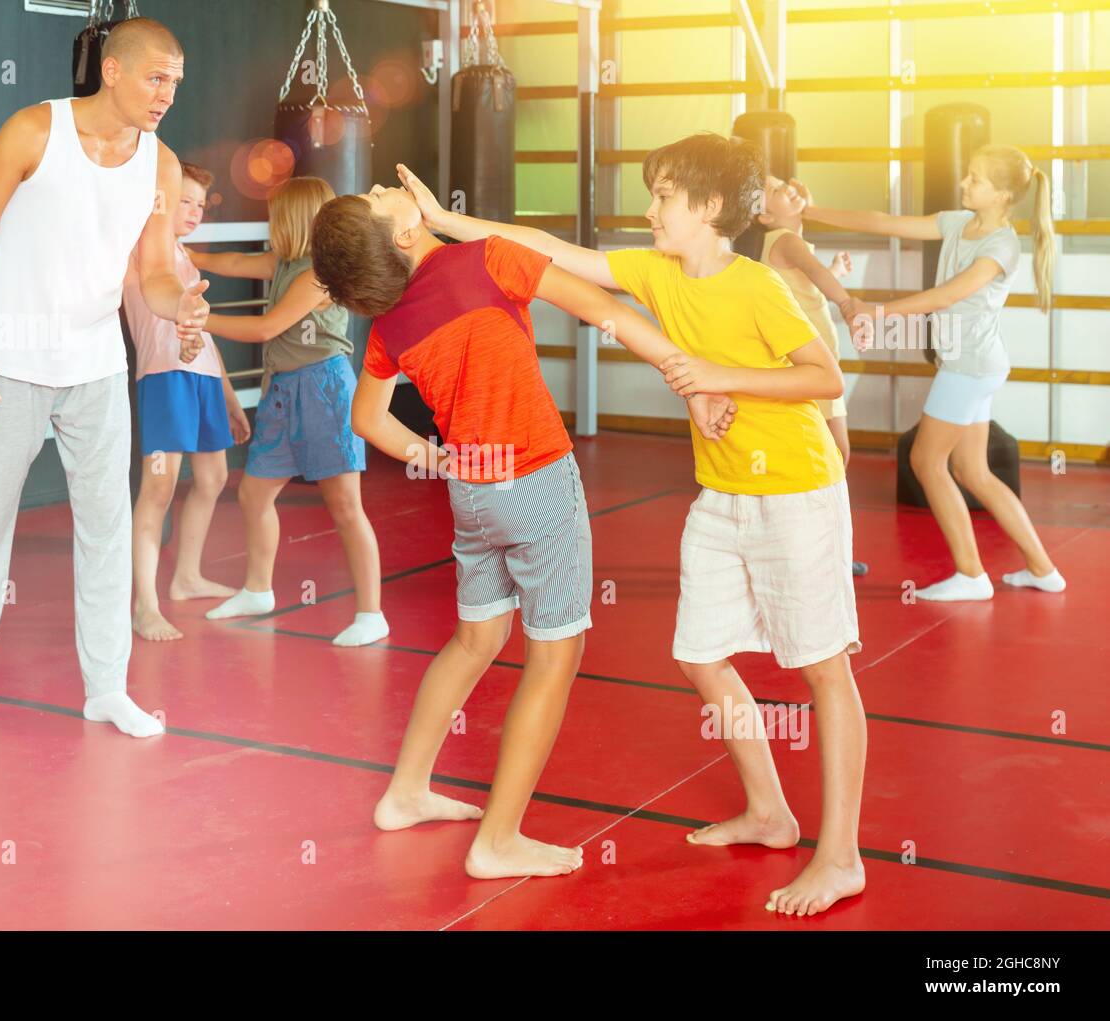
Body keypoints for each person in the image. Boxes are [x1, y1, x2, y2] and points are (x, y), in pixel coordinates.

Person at [395, 133, 866, 915]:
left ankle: (842, 855)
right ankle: (770, 811)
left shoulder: (756, 286)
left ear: (711, 209)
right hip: (720, 495)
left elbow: (824, 376)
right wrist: (445, 219)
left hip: (798, 494)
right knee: (703, 655)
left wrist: (715, 375)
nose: (649, 210)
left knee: (824, 670)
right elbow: (545, 245)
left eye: (665, 197)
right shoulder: (656, 270)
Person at [309, 177, 735, 880]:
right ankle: (498, 839)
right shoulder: (487, 259)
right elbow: (601, 308)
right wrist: (691, 380)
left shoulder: (389, 323)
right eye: (382, 197)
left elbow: (367, 421)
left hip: (473, 493)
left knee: (477, 638)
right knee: (555, 655)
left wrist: (439, 459)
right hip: (536, 479)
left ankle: (406, 792)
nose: (386, 185)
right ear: (406, 234)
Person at [0, 18, 208, 737]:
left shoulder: (160, 164)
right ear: (115, 70)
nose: (167, 95)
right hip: (8, 362)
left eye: (177, 83)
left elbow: (155, 272)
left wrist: (180, 303)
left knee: (106, 528)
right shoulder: (34, 131)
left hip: (97, 365)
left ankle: (106, 688)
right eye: (157, 78)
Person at [813, 145, 1064, 600]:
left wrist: (877, 309)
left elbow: (948, 295)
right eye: (967, 174)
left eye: (977, 179)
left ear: (1003, 194)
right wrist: (811, 210)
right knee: (973, 471)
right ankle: (1043, 569)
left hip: (968, 368)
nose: (965, 183)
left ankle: (970, 574)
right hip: (974, 365)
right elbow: (883, 221)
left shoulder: (1001, 245)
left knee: (926, 461)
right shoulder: (956, 223)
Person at [195, 177, 388, 647]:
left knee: (345, 506)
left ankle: (371, 613)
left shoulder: (317, 275)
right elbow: (236, 262)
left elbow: (267, 329)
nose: (270, 221)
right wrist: (185, 255)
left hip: (324, 388)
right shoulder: (282, 262)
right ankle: (258, 590)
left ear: (295, 219)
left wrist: (200, 320)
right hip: (283, 390)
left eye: (275, 214)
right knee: (254, 495)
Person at [124, 160, 251, 642]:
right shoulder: (140, 249)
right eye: (185, 201)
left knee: (215, 476)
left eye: (201, 204)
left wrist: (231, 399)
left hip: (200, 380)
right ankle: (145, 606)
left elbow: (208, 338)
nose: (196, 211)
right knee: (158, 491)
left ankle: (187, 577)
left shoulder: (186, 259)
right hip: (164, 378)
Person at [736, 174, 868, 575]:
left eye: (788, 183)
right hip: (812, 370)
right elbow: (815, 275)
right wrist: (847, 301)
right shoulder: (786, 241)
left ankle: (824, 549)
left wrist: (834, 271)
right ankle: (820, 550)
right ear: (763, 213)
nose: (791, 187)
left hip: (819, 369)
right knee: (831, 455)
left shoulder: (785, 243)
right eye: (779, 190)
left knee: (833, 455)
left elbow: (804, 283)